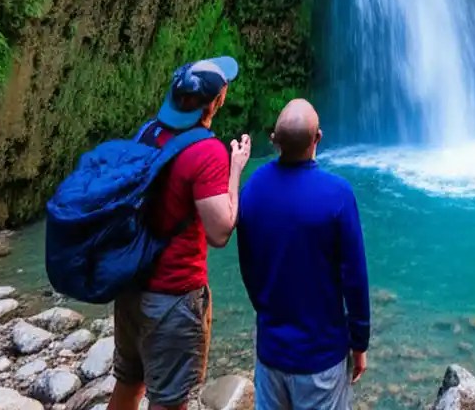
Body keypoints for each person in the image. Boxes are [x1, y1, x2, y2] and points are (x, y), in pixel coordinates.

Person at [109, 57, 253, 410]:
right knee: (169, 402)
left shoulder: (147, 133)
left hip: (130, 290)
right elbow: (220, 231)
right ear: (215, 103)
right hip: (172, 299)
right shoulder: (205, 151)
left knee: (129, 383)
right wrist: (235, 170)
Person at [237, 99, 371, 410]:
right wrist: (359, 342)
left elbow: (248, 265)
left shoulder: (253, 188)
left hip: (271, 352)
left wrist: (267, 312)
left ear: (274, 140)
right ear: (318, 139)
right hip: (321, 357)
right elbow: (355, 278)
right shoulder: (337, 195)